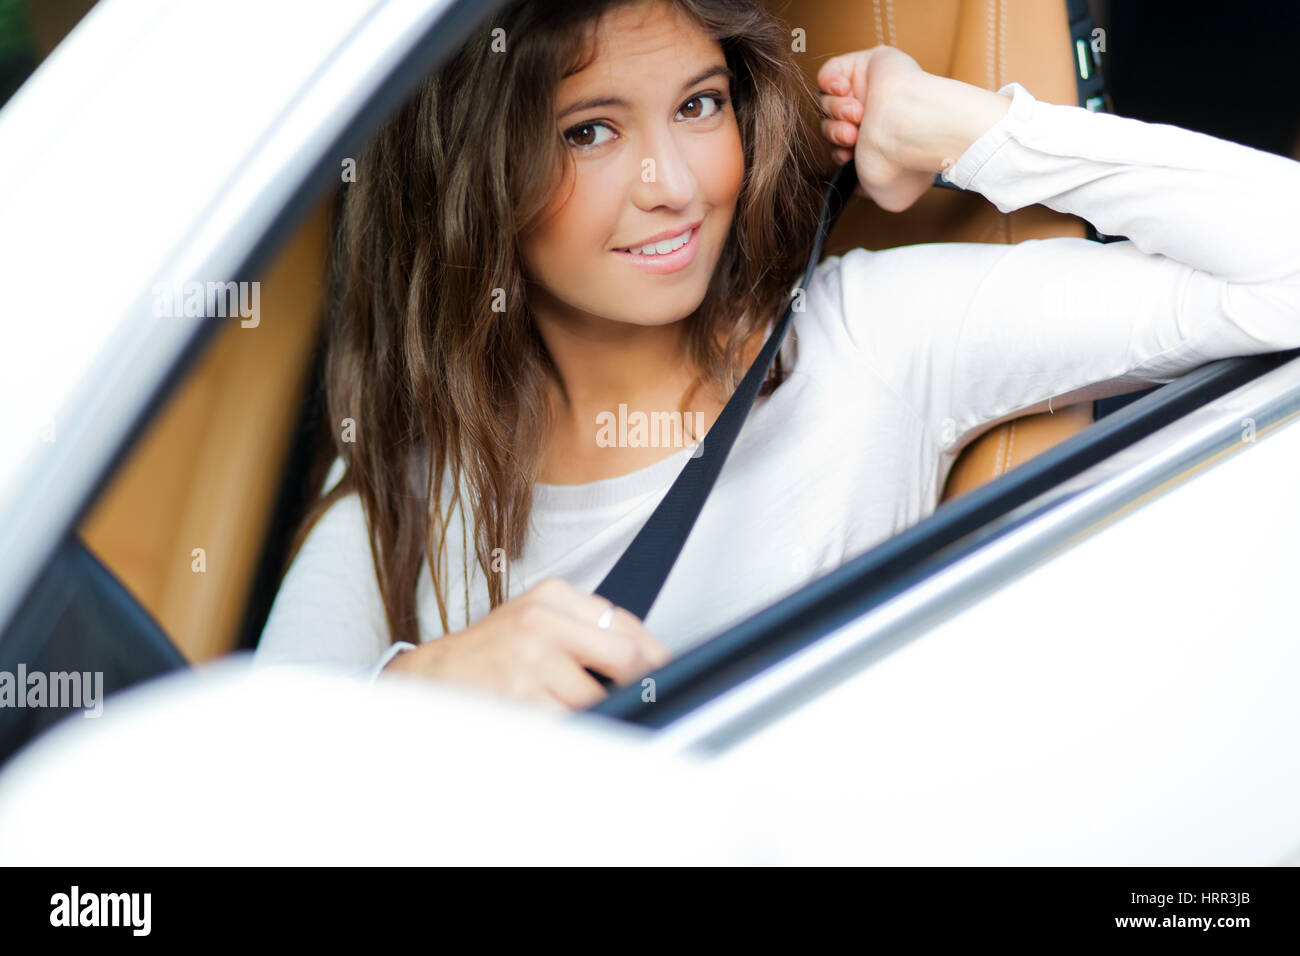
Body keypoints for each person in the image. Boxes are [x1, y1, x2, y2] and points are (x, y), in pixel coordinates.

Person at [253, 0, 1300, 710]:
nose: (671, 182)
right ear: (473, 175)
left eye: (697, 106)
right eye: (588, 131)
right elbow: (243, 799)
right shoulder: (413, 462)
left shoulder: (870, 341)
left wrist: (967, 129)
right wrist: (427, 690)